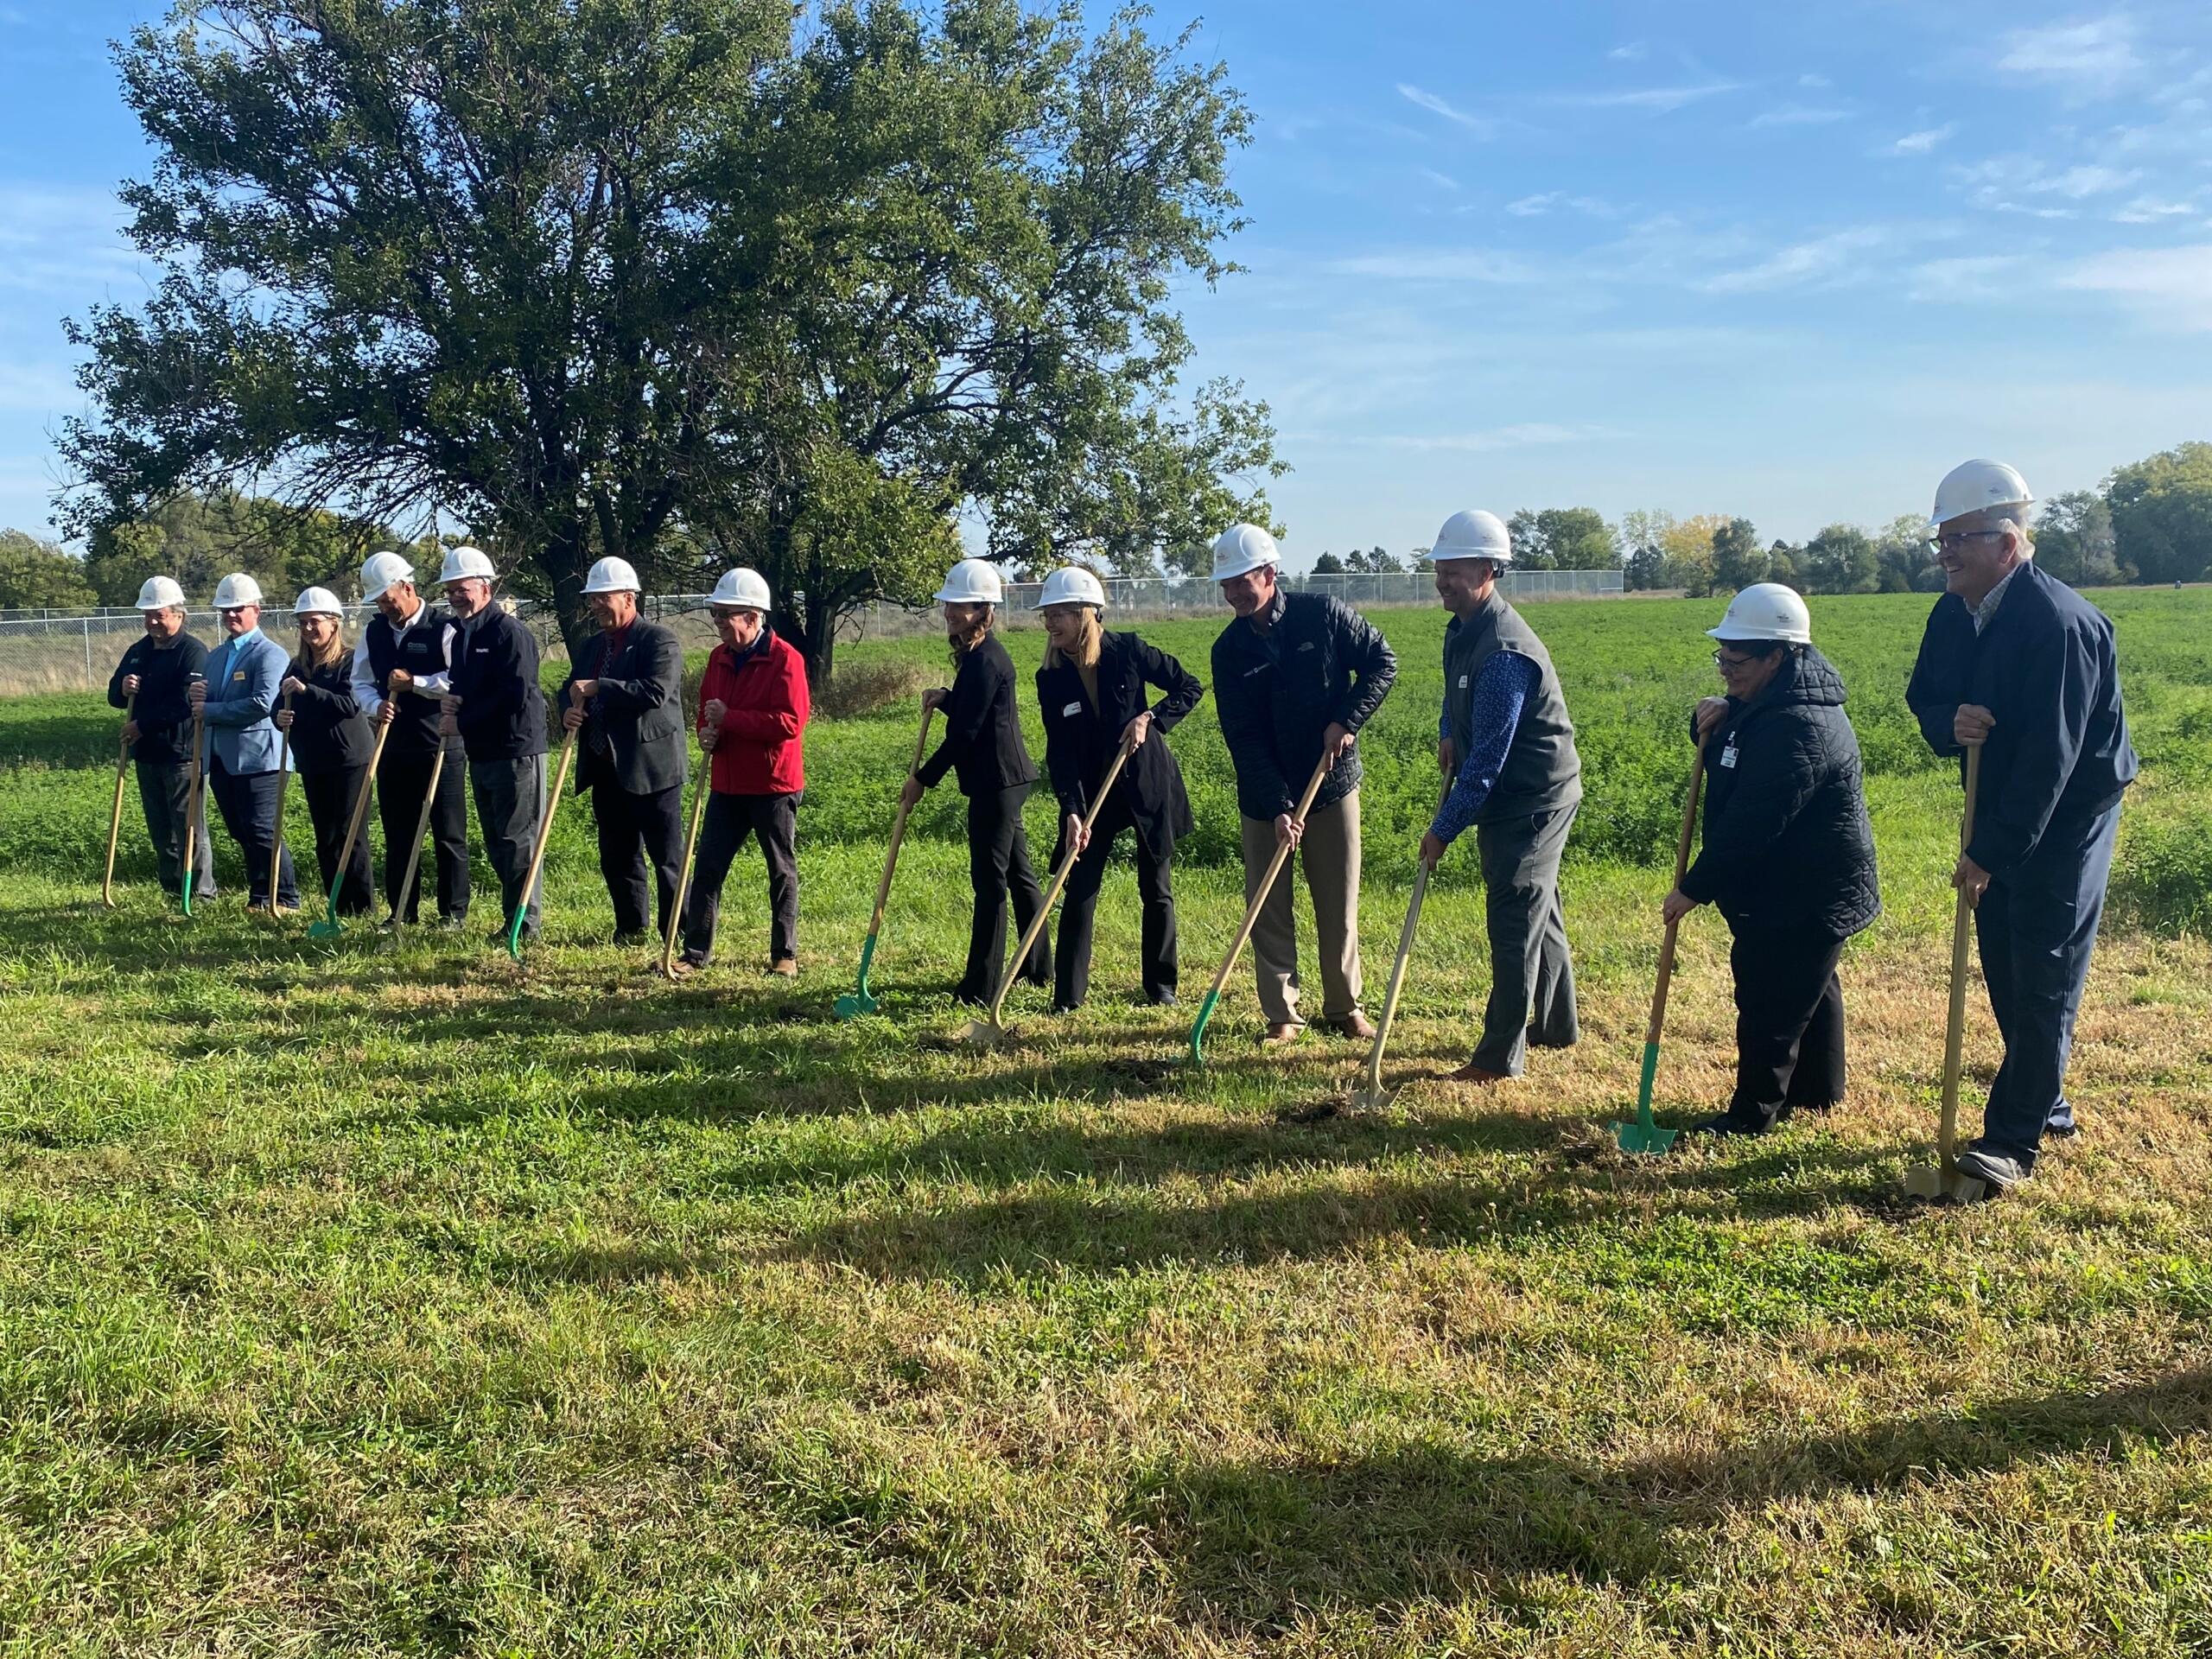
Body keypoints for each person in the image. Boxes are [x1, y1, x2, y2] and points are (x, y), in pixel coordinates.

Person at [1906, 460, 2138, 1192]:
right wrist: (1952, 721)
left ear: (2007, 543)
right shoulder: (1953, 612)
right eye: (1941, 538)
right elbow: (1926, 698)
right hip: (2000, 798)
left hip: (2069, 812)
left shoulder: (2059, 624)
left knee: (2042, 967)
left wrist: (1989, 854)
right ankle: (2051, 1100)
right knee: (2005, 959)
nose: (1945, 553)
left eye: (1960, 539)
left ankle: (2011, 1142)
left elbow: (2052, 760)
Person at [1662, 585, 1880, 1135]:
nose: (1724, 671)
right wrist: (1715, 716)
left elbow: (1753, 822)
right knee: (1811, 987)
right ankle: (1817, 1095)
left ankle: (1753, 1114)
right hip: (1786, 886)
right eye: (1722, 658)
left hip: (1808, 891)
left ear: (1778, 656)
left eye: (1735, 661)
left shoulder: (1801, 726)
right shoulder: (1767, 704)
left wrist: (1694, 887)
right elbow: (1733, 758)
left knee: (1771, 1003)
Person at [1209, 523, 1396, 1044]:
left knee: (1337, 901)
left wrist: (1347, 720)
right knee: (1268, 905)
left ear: (1269, 574)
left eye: (1240, 581)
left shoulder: (1324, 615)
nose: (1232, 594)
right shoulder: (1229, 651)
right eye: (1225, 585)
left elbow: (1383, 663)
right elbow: (1243, 737)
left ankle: (1344, 1006)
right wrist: (1278, 806)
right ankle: (1283, 1014)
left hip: (1332, 783)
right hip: (1265, 797)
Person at [1417, 511, 1582, 1084]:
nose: (1442, 578)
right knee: (1539, 905)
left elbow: (1487, 764)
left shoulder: (1506, 651)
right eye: (1438, 567)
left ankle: (1497, 1060)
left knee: (1515, 909)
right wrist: (1446, 729)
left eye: (1454, 569)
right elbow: (1452, 689)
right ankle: (1557, 1025)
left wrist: (1442, 829)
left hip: (1533, 796)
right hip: (1515, 789)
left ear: (1489, 569)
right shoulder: (1463, 626)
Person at [1033, 566, 1203, 1012]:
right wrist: (1071, 810)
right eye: (1047, 615)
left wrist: (1151, 718)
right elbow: (1060, 752)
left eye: (1058, 615)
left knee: (1156, 888)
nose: (1050, 624)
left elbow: (1189, 686)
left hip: (1146, 782)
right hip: (1094, 794)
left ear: (1086, 614)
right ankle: (1068, 998)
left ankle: (1161, 987)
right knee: (1079, 887)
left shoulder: (1128, 650)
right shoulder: (1050, 678)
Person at [897, 557, 1052, 1006]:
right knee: (1019, 875)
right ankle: (1038, 965)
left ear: (984, 609)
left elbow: (965, 734)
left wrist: (922, 779)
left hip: (997, 782)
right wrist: (947, 697)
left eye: (960, 605)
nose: (950, 611)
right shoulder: (977, 656)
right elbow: (972, 712)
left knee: (990, 883)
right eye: (948, 604)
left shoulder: (987, 660)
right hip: (1002, 778)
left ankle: (981, 987)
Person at [675, 568, 810, 977]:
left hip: (773, 784)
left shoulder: (786, 659)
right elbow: (706, 708)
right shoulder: (719, 658)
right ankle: (695, 952)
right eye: (715, 615)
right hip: (728, 782)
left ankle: (784, 954)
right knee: (709, 868)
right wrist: (705, 732)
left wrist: (731, 720)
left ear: (752, 617)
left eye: (725, 615)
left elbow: (790, 722)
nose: (718, 623)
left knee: (780, 869)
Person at [559, 557, 688, 945]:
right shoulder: (591, 645)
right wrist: (568, 708)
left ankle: (677, 931)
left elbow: (654, 692)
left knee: (667, 857)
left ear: (629, 597)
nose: (596, 605)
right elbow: (573, 686)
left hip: (652, 767)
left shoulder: (658, 640)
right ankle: (631, 927)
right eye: (592, 599)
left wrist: (601, 687)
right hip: (605, 767)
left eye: (604, 597)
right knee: (617, 855)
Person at [352, 550, 468, 927]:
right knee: (399, 833)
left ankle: (453, 914)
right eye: (380, 602)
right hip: (392, 746)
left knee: (448, 833)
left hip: (440, 744)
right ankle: (403, 910)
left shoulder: (444, 627)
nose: (386, 608)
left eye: (390, 599)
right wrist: (375, 705)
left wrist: (415, 684)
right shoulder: (375, 631)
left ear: (407, 587)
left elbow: (458, 681)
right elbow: (360, 682)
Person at [439, 545, 550, 943]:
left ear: (485, 588)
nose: (455, 596)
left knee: (517, 839)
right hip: (483, 750)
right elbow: (470, 687)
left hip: (516, 749)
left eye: (462, 588)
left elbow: (514, 694)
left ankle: (525, 926)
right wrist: (453, 699)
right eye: (450, 589)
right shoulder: (464, 633)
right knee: (496, 839)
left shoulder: (509, 633)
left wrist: (462, 718)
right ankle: (512, 919)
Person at [188, 573, 301, 911]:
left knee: (263, 831)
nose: (231, 616)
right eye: (225, 610)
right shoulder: (217, 656)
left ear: (257, 610)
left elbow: (261, 704)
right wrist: (196, 697)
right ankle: (260, 895)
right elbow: (206, 701)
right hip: (222, 758)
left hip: (260, 759)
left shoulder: (269, 654)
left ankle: (286, 898)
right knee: (241, 831)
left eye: (238, 609)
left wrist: (208, 709)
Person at [108, 575, 217, 901]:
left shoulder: (193, 651)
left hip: (183, 754)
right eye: (148, 615)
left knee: (189, 829)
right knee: (161, 830)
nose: (153, 621)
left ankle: (200, 893)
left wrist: (142, 724)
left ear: (179, 615)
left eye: (160, 614)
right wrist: (122, 688)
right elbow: (114, 695)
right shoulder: (138, 651)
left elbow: (185, 702)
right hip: (147, 755)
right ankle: (171, 889)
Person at [274, 588, 376, 915]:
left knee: (350, 836)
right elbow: (279, 706)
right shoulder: (296, 665)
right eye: (302, 623)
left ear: (334, 623)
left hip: (349, 760)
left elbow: (348, 705)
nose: (307, 629)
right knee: (326, 837)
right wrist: (280, 716)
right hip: (313, 760)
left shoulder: (350, 661)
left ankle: (362, 907)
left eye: (314, 622)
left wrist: (309, 691)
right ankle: (337, 905)